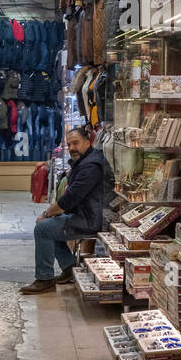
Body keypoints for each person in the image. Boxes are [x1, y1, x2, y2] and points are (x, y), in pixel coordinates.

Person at [20, 126, 113, 294]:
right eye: (69, 145)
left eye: (75, 143)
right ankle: (70, 268)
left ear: (87, 142)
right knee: (50, 226)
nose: (71, 148)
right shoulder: (87, 160)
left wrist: (46, 214)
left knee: (42, 228)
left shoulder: (91, 166)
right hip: (88, 214)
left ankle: (44, 279)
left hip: (92, 219)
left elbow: (71, 198)